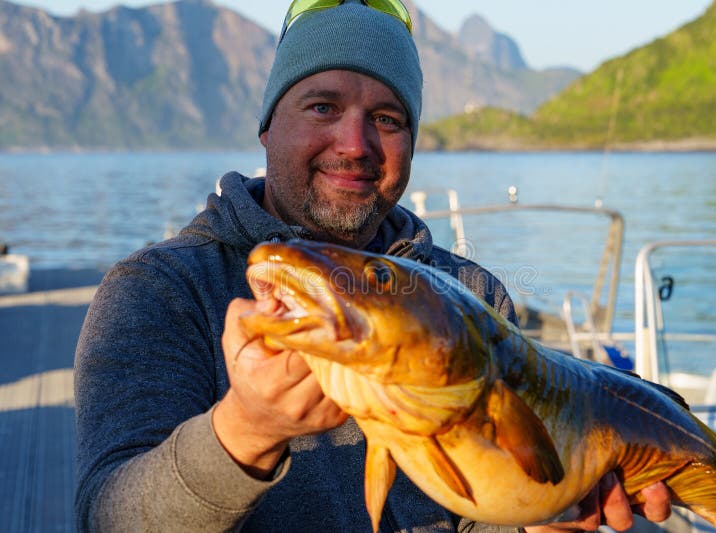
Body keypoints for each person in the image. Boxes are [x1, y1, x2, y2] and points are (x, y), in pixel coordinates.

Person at [74, 1, 672, 531]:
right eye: (322, 105)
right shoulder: (159, 292)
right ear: (266, 126)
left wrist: (540, 516)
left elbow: (485, 507)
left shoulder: (472, 295)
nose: (355, 144)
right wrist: (245, 430)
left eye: (387, 118)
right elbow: (107, 516)